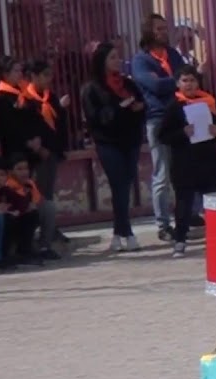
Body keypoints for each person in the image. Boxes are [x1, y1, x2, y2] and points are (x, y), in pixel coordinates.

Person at [81, 41, 146, 252]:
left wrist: (138, 107)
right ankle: (126, 232)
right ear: (102, 61)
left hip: (130, 140)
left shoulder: (127, 83)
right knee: (118, 184)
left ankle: (120, 233)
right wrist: (119, 107)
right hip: (108, 142)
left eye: (118, 57)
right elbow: (95, 117)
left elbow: (143, 104)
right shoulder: (92, 88)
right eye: (112, 58)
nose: (117, 61)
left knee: (125, 184)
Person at [157, 66, 216, 258]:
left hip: (208, 162)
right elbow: (162, 136)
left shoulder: (208, 103)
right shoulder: (174, 107)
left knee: (212, 203)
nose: (189, 84)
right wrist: (182, 133)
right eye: (185, 80)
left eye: (193, 80)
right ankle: (180, 240)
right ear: (178, 84)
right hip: (184, 165)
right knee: (184, 205)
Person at [132, 13, 188, 241]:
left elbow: (188, 76)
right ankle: (163, 224)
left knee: (183, 171)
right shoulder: (141, 60)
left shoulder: (173, 54)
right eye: (159, 29)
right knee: (162, 173)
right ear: (149, 32)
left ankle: (185, 216)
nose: (164, 33)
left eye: (165, 28)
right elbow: (153, 85)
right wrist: (177, 82)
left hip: (181, 115)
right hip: (158, 119)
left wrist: (179, 80)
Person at [21, 59, 68, 260]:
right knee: (39, 193)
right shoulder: (26, 100)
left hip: (53, 151)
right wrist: (39, 148)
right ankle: (41, 235)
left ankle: (50, 228)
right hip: (37, 155)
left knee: (48, 192)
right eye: (45, 75)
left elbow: (59, 123)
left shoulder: (51, 97)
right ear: (34, 76)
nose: (49, 79)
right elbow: (28, 127)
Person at [0, 56, 35, 160]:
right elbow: (8, 124)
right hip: (14, 147)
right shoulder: (1, 96)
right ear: (5, 74)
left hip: (32, 145)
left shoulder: (24, 90)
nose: (20, 74)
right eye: (16, 71)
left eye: (20, 70)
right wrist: (26, 140)